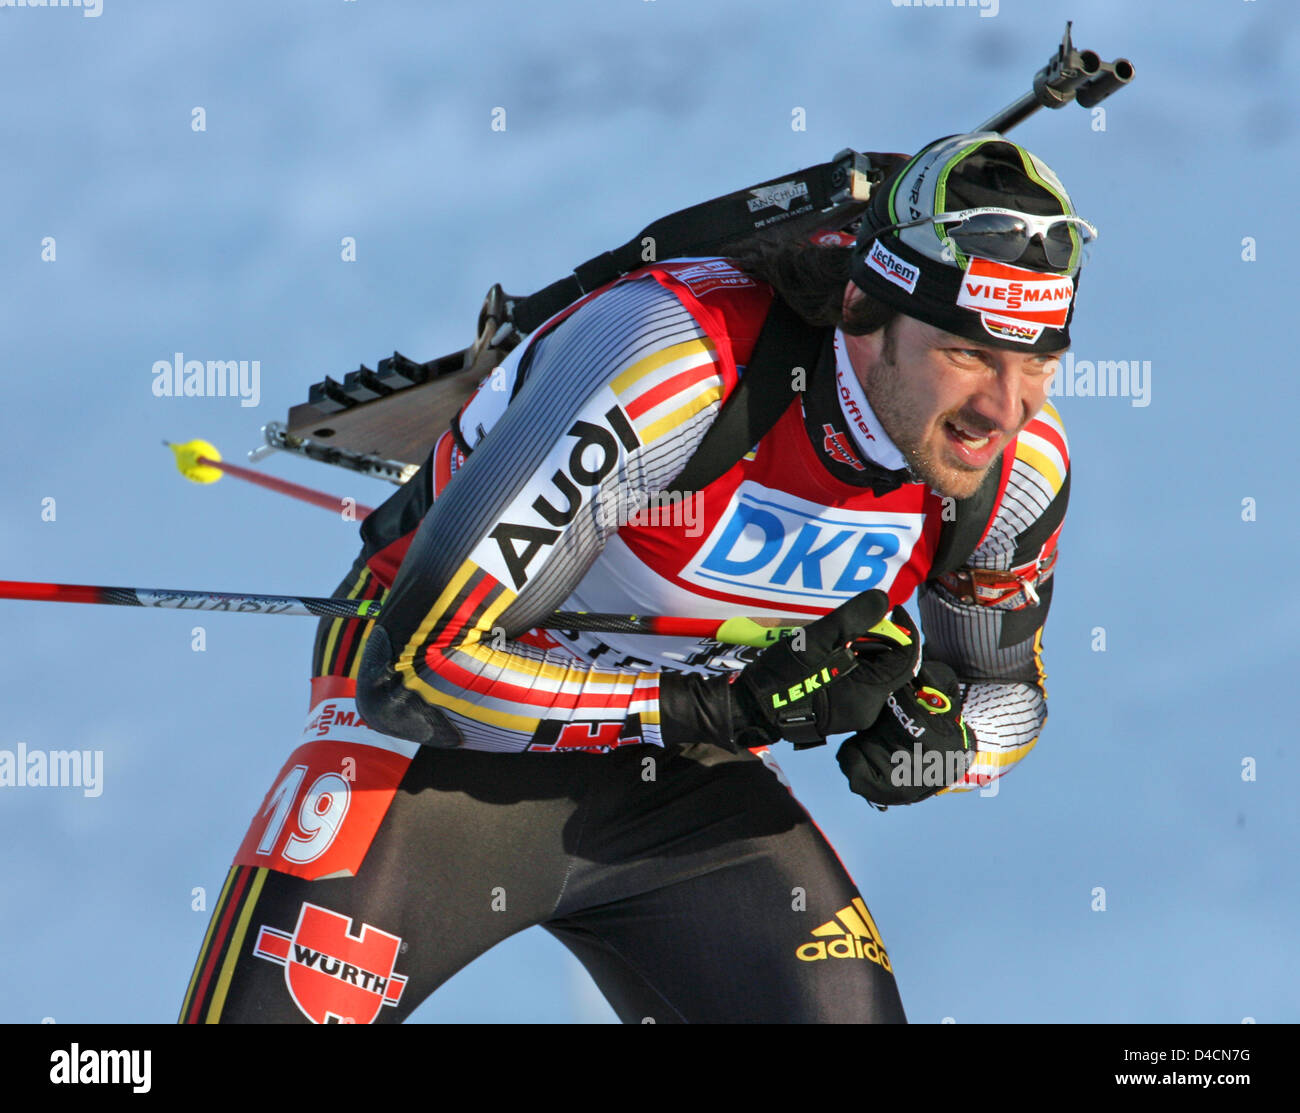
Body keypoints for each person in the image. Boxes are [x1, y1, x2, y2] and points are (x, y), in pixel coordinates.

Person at [180, 131, 1084, 1024]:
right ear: (863, 309)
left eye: (1039, 361)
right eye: (968, 354)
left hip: (678, 783)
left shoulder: (1016, 472)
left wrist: (933, 741)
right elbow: (412, 668)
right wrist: (703, 710)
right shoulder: (675, 357)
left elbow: (1005, 699)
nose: (1002, 409)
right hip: (451, 740)